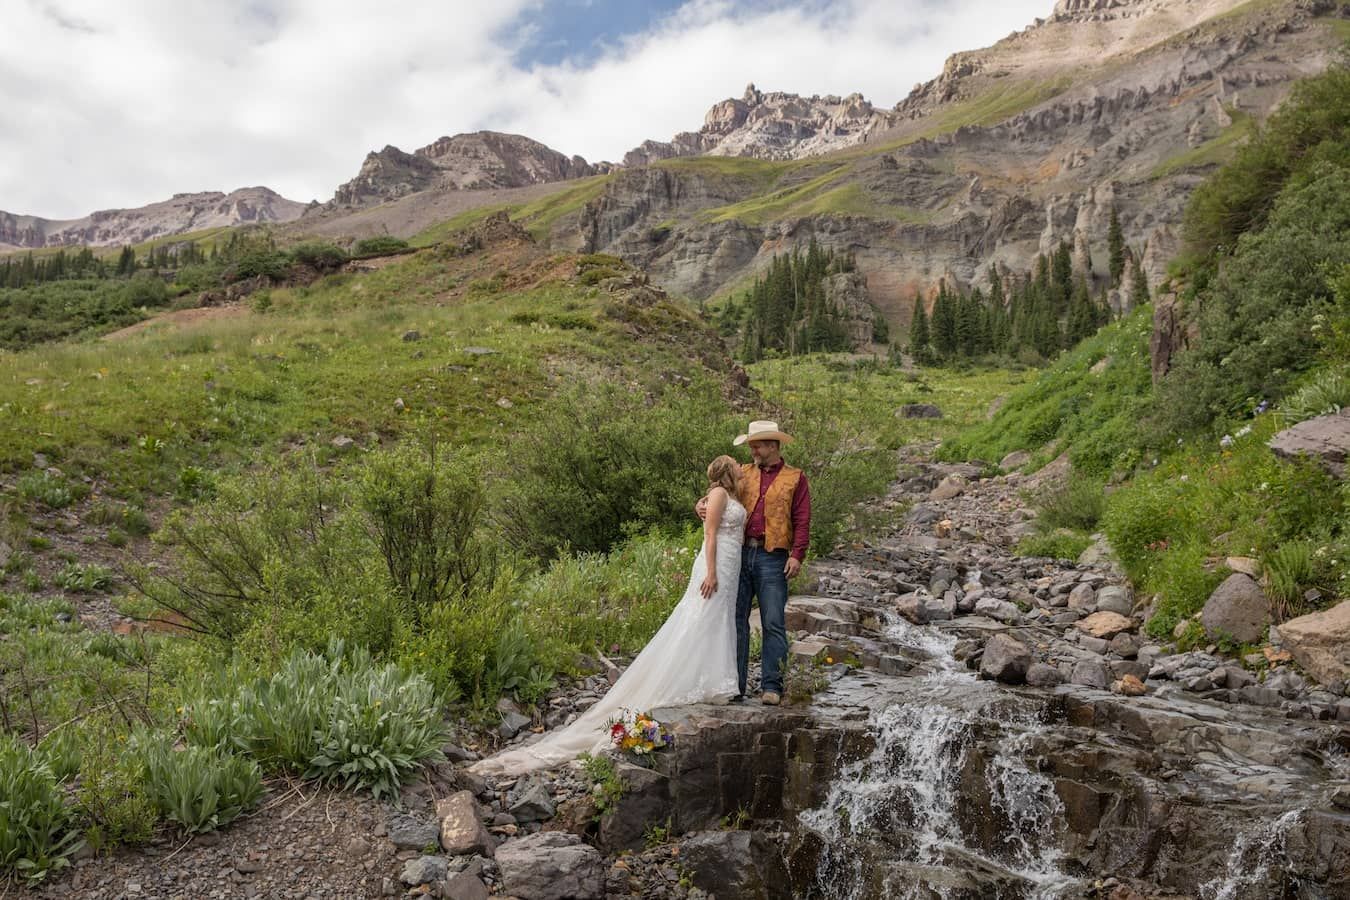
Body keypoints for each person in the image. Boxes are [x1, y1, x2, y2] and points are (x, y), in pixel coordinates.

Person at [470, 456, 745, 776]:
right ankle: (700, 680)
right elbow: (710, 534)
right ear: (727, 472)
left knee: (716, 618)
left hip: (730, 561)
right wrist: (710, 572)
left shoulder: (729, 494)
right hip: (716, 563)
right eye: (736, 464)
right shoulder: (719, 495)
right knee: (701, 618)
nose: (741, 466)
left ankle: (714, 677)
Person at [699, 420, 811, 706]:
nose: (753, 451)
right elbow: (715, 497)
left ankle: (772, 685)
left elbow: (802, 519)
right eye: (751, 445)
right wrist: (699, 505)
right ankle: (734, 683)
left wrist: (797, 554)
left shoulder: (796, 478)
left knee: (772, 620)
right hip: (738, 555)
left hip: (773, 556)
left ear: (773, 446)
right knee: (736, 620)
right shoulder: (742, 474)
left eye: (757, 445)